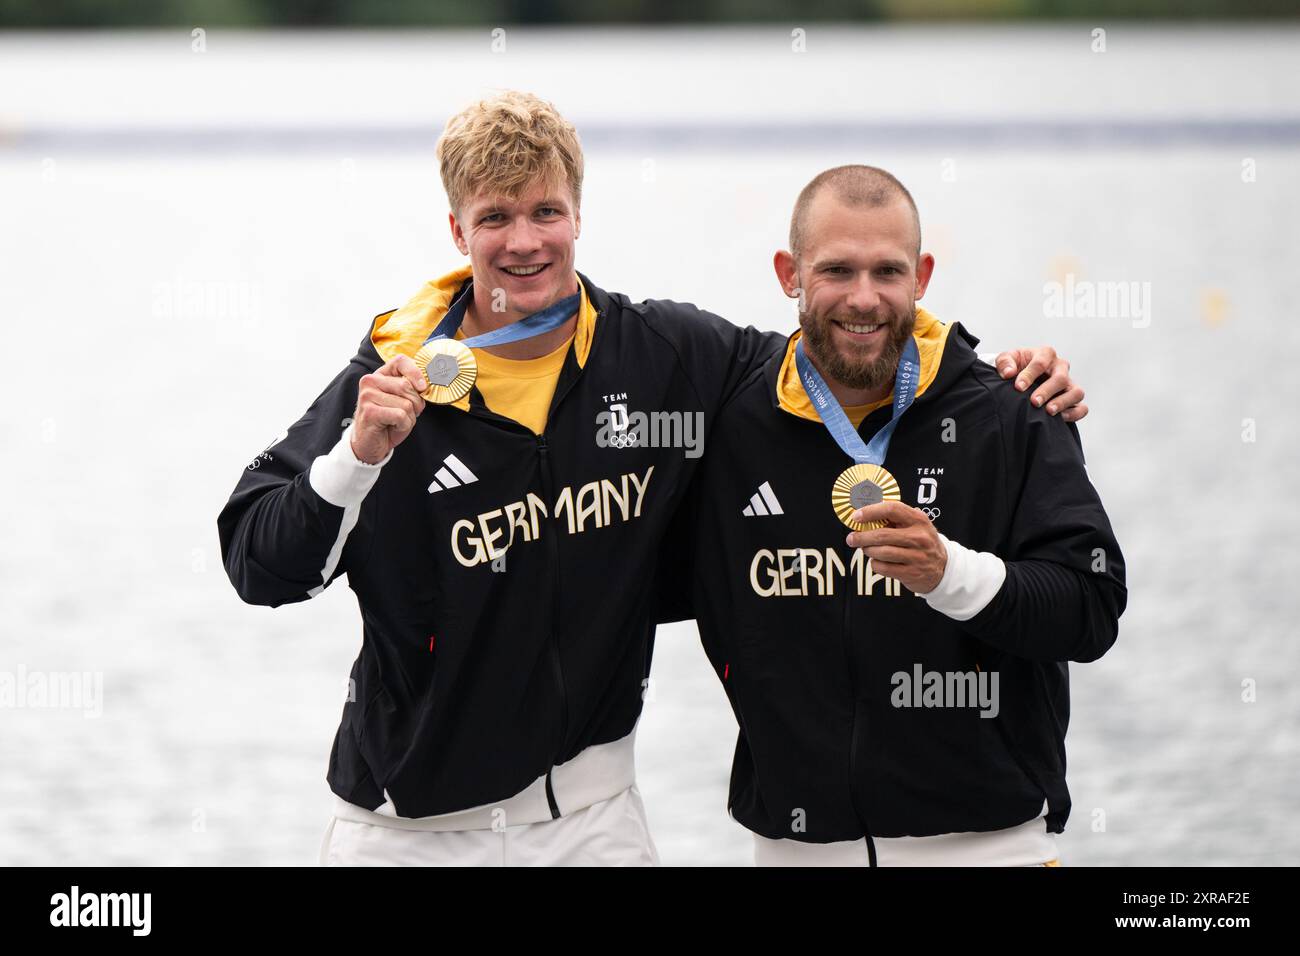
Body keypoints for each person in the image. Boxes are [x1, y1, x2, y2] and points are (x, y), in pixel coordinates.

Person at [217, 92, 1087, 866]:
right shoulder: (395, 376)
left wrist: (1004, 380)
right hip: (402, 832)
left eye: (546, 212)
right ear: (457, 230)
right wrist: (357, 460)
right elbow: (261, 565)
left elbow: (842, 349)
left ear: (579, 217)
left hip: (595, 821)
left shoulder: (666, 356)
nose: (524, 241)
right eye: (495, 218)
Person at [658, 164, 1126, 866]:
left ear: (923, 276)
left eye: (888, 271)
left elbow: (1092, 609)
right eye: (837, 271)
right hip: (794, 848)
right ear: (789, 272)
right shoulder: (731, 421)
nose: (864, 298)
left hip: (985, 847)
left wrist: (953, 575)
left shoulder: (1011, 412)